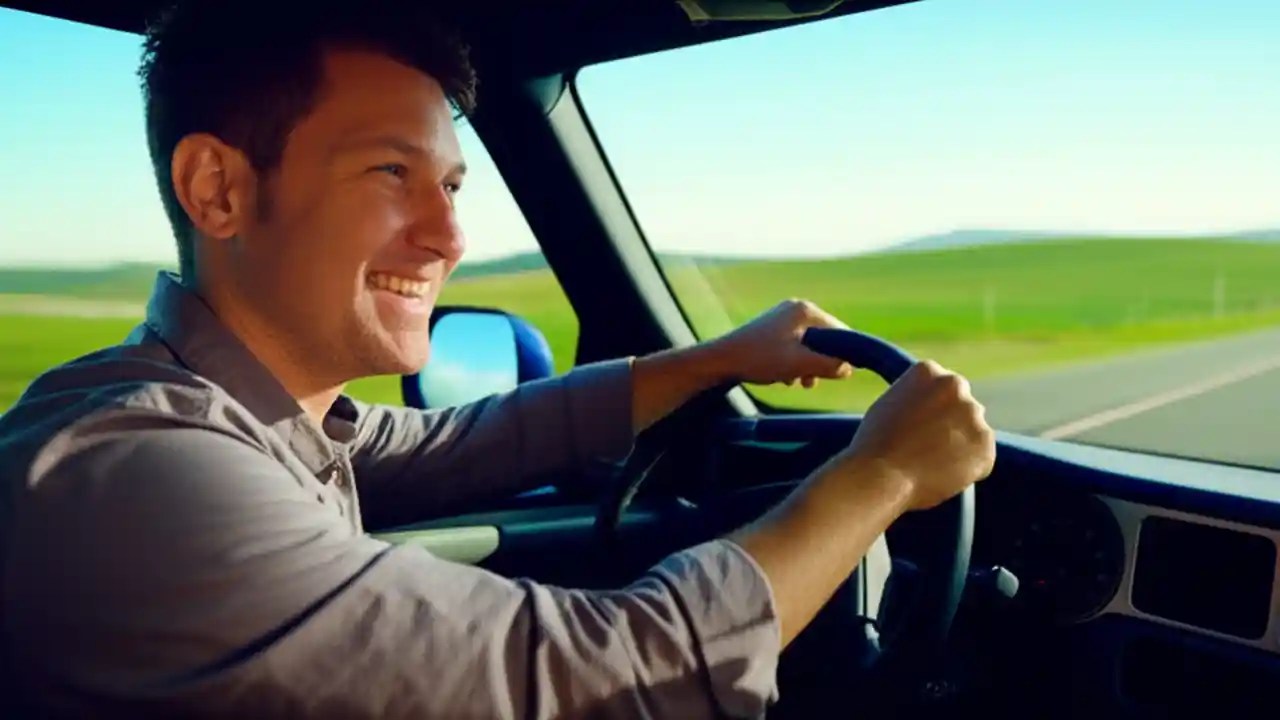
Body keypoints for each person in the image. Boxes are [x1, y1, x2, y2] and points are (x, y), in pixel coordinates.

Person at [0, 1, 995, 717]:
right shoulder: (128, 472)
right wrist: (884, 473)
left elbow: (462, 442)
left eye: (450, 185)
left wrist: (713, 361)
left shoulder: (245, 418)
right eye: (391, 172)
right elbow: (601, 679)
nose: (448, 238)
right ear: (216, 189)